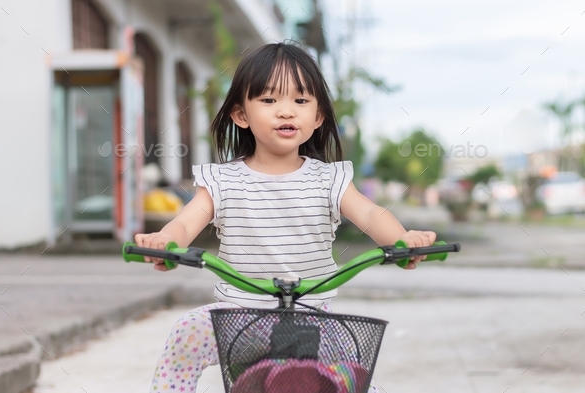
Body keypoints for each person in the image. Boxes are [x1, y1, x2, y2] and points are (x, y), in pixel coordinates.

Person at [135, 42, 436, 393]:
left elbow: (370, 213)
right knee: (186, 334)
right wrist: (167, 242)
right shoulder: (222, 180)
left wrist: (401, 241)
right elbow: (187, 221)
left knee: (356, 379)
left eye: (301, 101)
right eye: (269, 100)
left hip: (313, 316)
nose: (286, 112)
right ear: (241, 115)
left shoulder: (329, 179)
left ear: (318, 116)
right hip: (239, 315)